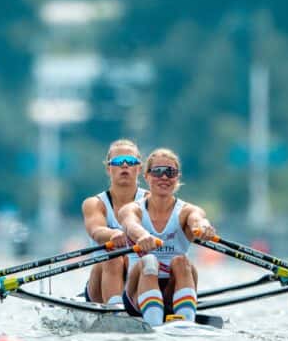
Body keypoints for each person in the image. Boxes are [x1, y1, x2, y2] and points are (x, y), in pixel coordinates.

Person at [118, 148, 216, 326]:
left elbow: (198, 219)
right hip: (137, 290)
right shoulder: (132, 209)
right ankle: (154, 326)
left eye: (170, 172)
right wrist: (142, 236)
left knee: (182, 262)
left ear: (177, 178)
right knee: (149, 261)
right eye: (158, 171)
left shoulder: (187, 210)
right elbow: (130, 224)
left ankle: (185, 324)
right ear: (147, 176)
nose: (164, 177)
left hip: (173, 287)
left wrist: (203, 227)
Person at [81, 139, 147, 306]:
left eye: (131, 162)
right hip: (100, 283)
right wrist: (114, 234)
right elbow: (96, 231)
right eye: (118, 162)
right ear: (108, 168)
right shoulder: (95, 204)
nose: (124, 166)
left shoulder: (151, 201)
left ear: (139, 168)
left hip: (141, 279)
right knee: (114, 257)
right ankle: (116, 310)